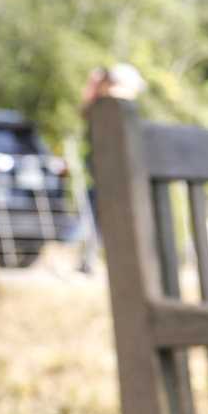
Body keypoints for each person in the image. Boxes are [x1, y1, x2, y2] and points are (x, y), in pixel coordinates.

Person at [77, 63, 145, 272]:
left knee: (101, 219)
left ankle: (95, 261)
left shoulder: (103, 105)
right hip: (109, 174)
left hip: (114, 174)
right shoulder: (110, 105)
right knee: (99, 218)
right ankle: (91, 261)